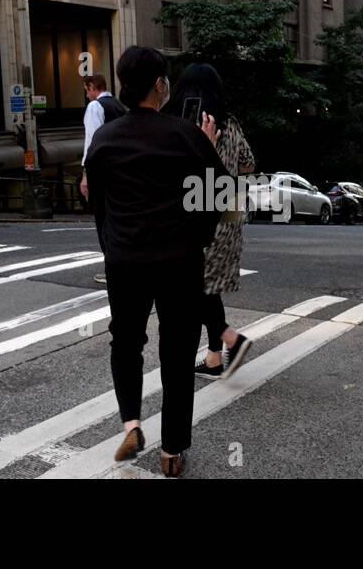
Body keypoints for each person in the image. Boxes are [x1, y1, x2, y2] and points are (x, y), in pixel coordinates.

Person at [84, 46, 229, 477]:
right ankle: (171, 450)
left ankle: (131, 422)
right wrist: (196, 238)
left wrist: (113, 247)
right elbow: (218, 196)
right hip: (178, 259)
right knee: (177, 350)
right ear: (160, 86)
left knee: (126, 342)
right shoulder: (184, 135)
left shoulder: (104, 139)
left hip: (125, 259)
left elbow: (100, 206)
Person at [164, 63, 256, 380]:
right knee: (207, 285)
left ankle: (231, 339)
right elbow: (249, 165)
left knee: (194, 286)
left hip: (198, 213)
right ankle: (215, 357)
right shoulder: (230, 125)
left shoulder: (184, 125)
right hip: (229, 209)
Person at [80, 74, 127, 285]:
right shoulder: (119, 106)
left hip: (103, 173)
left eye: (86, 89)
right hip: (122, 173)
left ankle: (112, 269)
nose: (86, 94)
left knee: (103, 222)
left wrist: (85, 176)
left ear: (92, 87)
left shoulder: (95, 108)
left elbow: (92, 142)